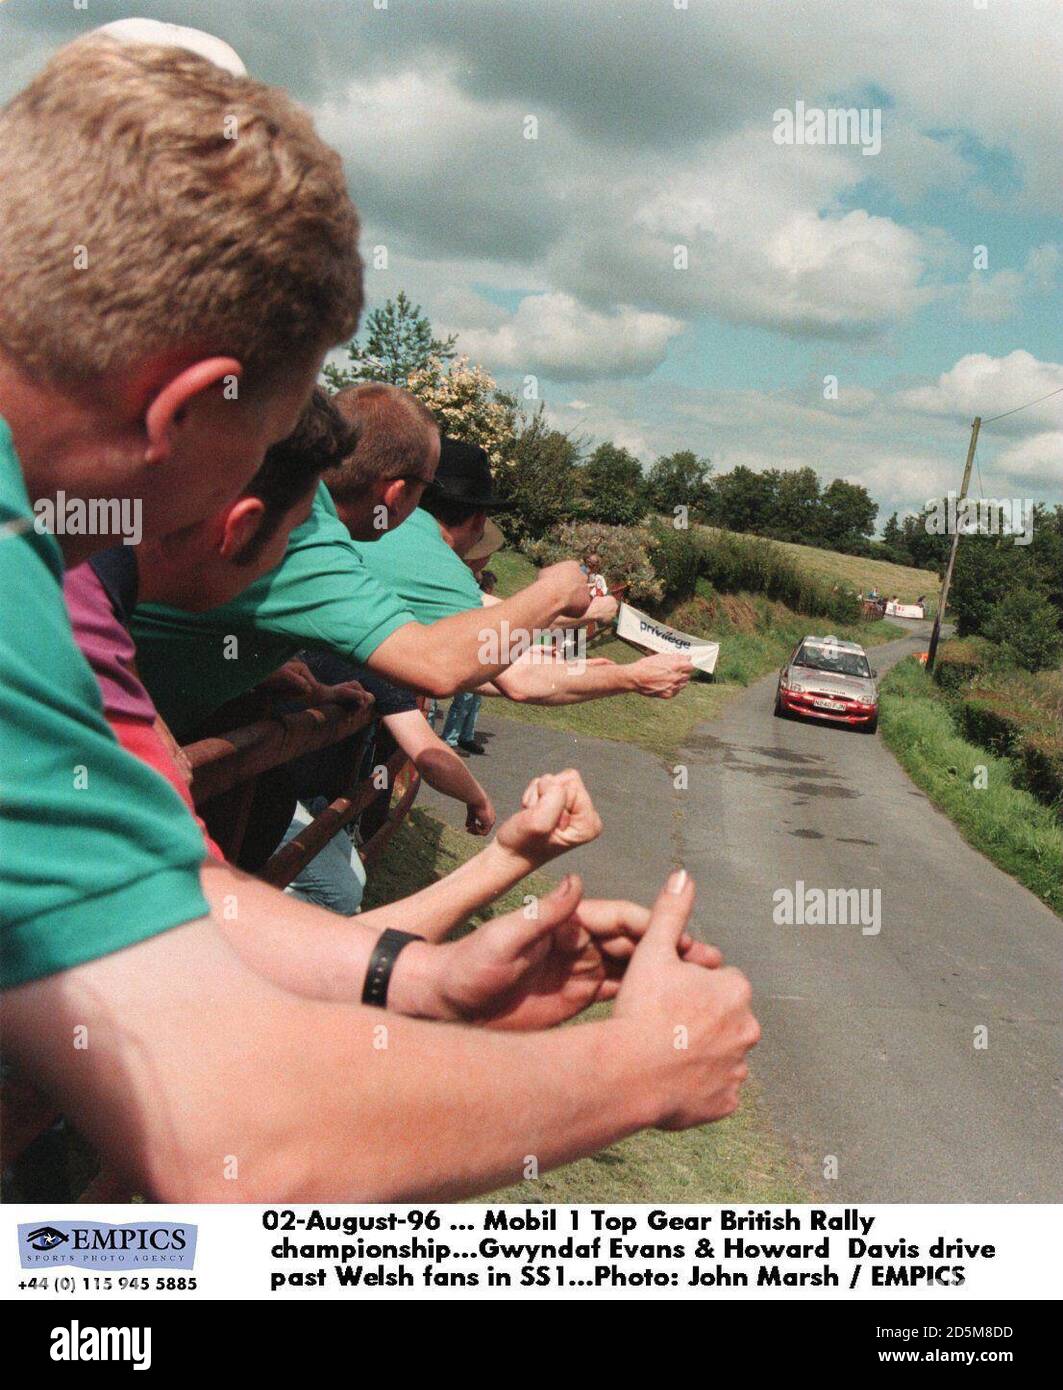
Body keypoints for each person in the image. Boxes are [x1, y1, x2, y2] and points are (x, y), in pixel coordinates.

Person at [1, 33, 759, 1202]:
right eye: (261, 447)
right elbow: (227, 1122)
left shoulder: (53, 563)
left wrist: (415, 977)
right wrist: (635, 1070)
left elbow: (132, 891)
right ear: (185, 407)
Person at [352, 437, 696, 706]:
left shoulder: (394, 533)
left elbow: (493, 623)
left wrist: (576, 659)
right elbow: (523, 679)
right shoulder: (432, 559)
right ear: (479, 521)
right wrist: (634, 677)